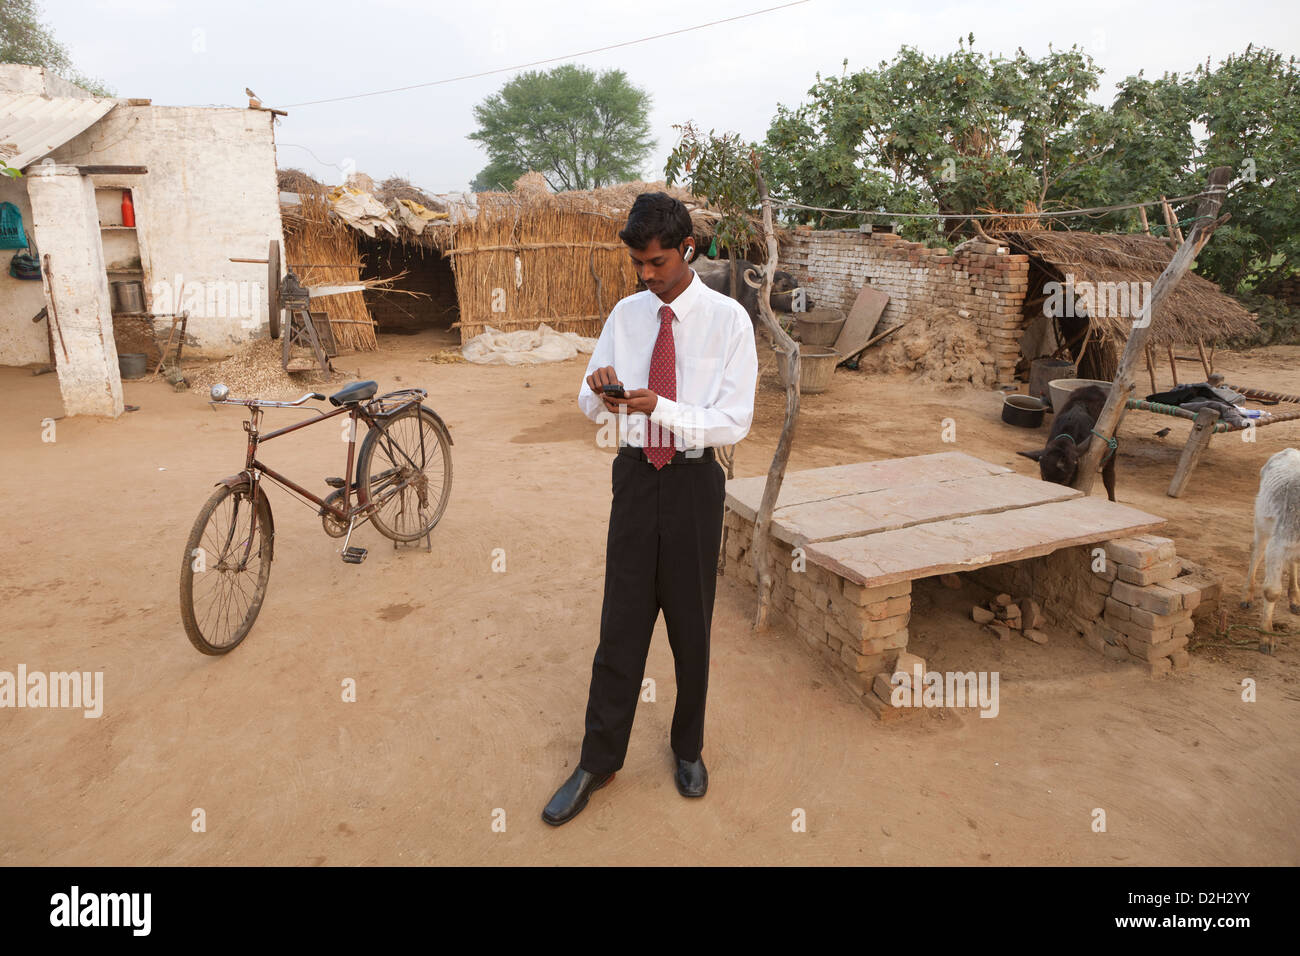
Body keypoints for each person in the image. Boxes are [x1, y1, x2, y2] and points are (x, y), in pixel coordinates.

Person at [542, 192, 759, 826]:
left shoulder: (728, 322)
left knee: (692, 628)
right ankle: (598, 760)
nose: (646, 275)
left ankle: (687, 749)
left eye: (657, 262)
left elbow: (733, 422)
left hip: (695, 486)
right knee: (620, 627)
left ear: (686, 249)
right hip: (636, 480)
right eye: (638, 263)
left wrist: (655, 406)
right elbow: (587, 398)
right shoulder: (627, 314)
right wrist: (602, 396)